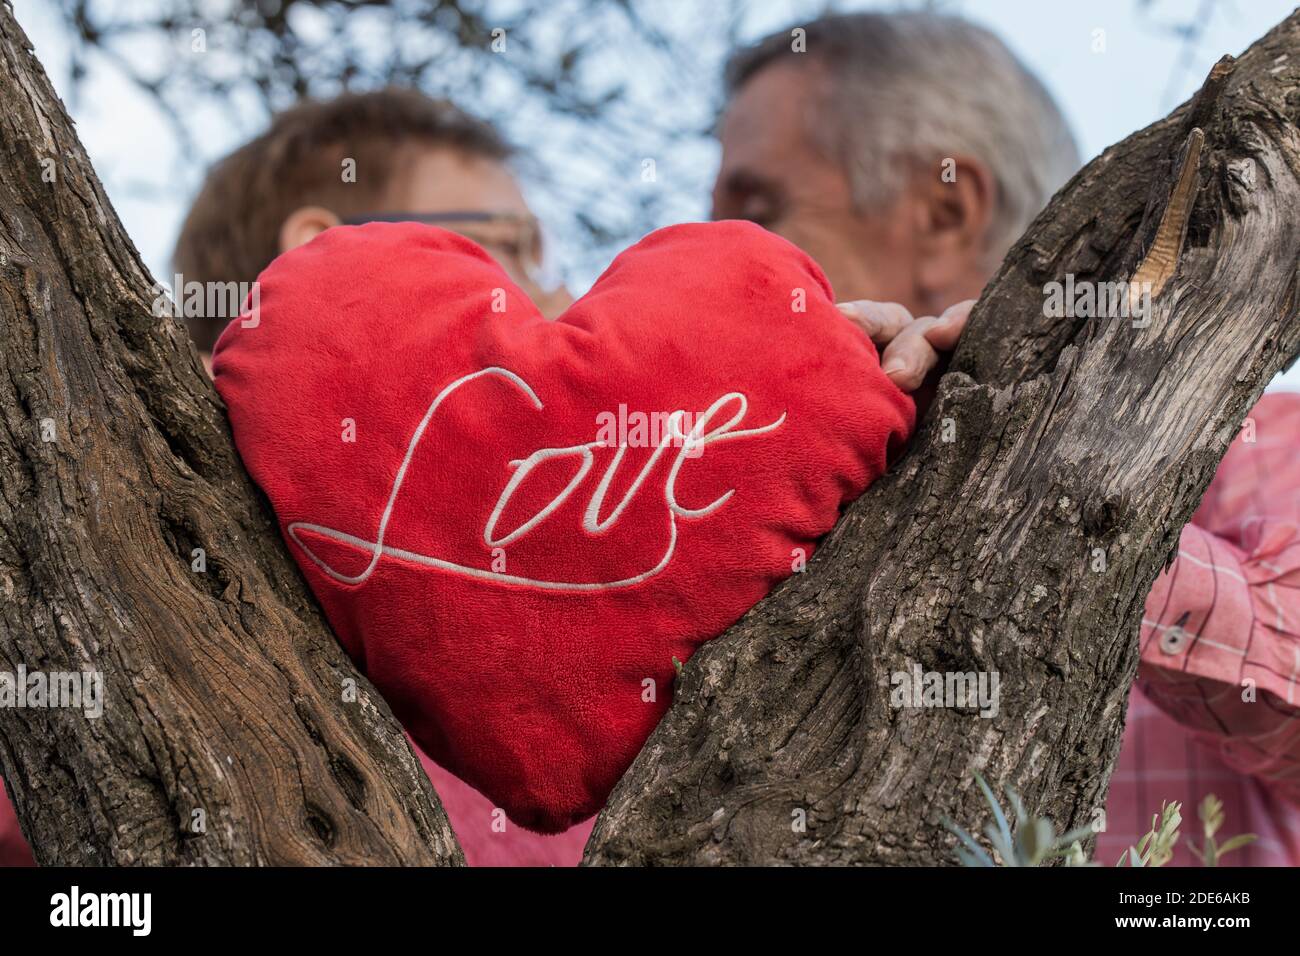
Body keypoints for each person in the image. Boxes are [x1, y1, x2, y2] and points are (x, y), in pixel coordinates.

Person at [716, 11, 1300, 865]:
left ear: (944, 212)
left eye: (757, 208)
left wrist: (1015, 482)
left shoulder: (1257, 445)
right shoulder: (735, 514)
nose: (712, 258)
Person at [0, 88, 586, 868]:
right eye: (513, 246)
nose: (566, 297)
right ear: (328, 247)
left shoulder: (534, 552)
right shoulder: (95, 473)